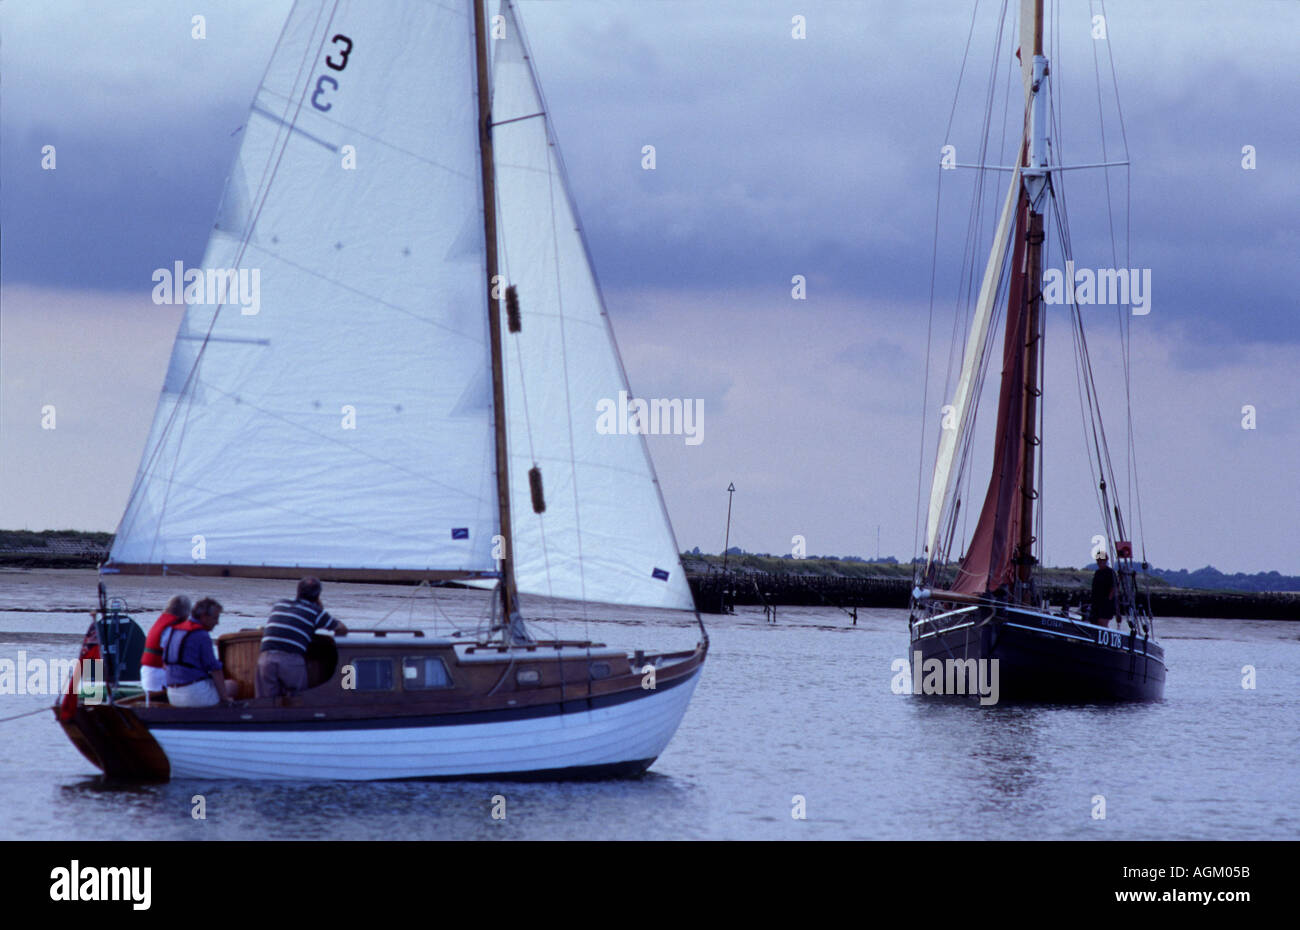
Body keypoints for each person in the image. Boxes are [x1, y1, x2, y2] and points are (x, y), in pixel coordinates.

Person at [256, 577, 348, 699]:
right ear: (318, 595)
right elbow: (342, 628)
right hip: (290, 659)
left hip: (265, 659)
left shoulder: (279, 604)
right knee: (296, 701)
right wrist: (320, 607)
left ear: (298, 591)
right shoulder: (316, 612)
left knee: (264, 703)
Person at [161, 597, 235, 707]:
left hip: (172, 695)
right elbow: (215, 669)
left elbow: (165, 665)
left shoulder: (172, 631)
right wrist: (225, 699)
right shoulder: (201, 635)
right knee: (232, 685)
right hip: (194, 695)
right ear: (204, 616)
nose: (217, 623)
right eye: (215, 618)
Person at [140, 595, 191, 694]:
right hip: (158, 675)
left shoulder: (161, 622)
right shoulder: (172, 627)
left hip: (148, 672)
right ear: (185, 614)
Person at [1090, 553, 1118, 626]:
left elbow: (1114, 587)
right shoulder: (1097, 573)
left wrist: (1108, 600)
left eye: (1101, 561)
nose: (1099, 562)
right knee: (1094, 622)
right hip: (1096, 604)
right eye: (1098, 561)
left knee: (1102, 623)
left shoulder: (1110, 572)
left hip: (1106, 604)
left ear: (1105, 561)